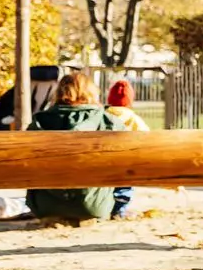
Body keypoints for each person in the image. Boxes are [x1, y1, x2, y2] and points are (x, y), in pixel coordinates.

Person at [26, 70, 123, 221]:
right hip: (95, 206)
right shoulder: (108, 121)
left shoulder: (40, 121)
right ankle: (119, 210)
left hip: (45, 205)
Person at [102, 79, 149, 218]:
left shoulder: (104, 114)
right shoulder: (133, 118)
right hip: (125, 163)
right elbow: (146, 136)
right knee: (124, 186)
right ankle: (119, 210)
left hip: (104, 160)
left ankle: (106, 208)